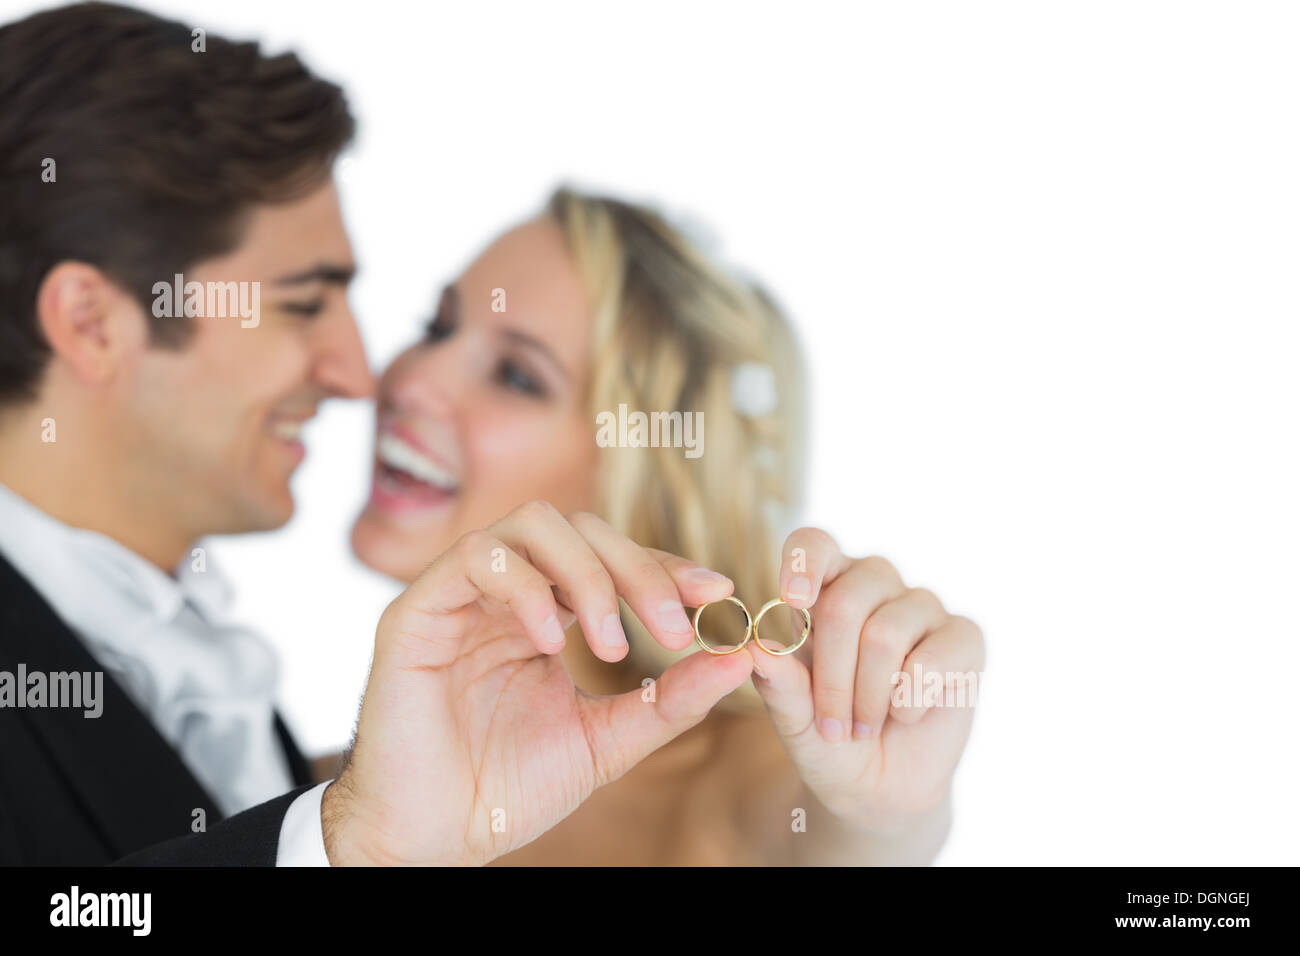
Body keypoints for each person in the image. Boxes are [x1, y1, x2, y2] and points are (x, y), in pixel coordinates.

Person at [0, 2, 766, 867]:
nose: (365, 378)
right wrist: (346, 845)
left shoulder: (236, 694)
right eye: (303, 302)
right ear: (92, 324)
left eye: (518, 375)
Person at [342, 188, 985, 864]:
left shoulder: (751, 780)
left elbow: (833, 833)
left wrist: (881, 821)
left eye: (517, 376)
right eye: (436, 328)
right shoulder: (332, 794)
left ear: (644, 470)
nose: (407, 379)